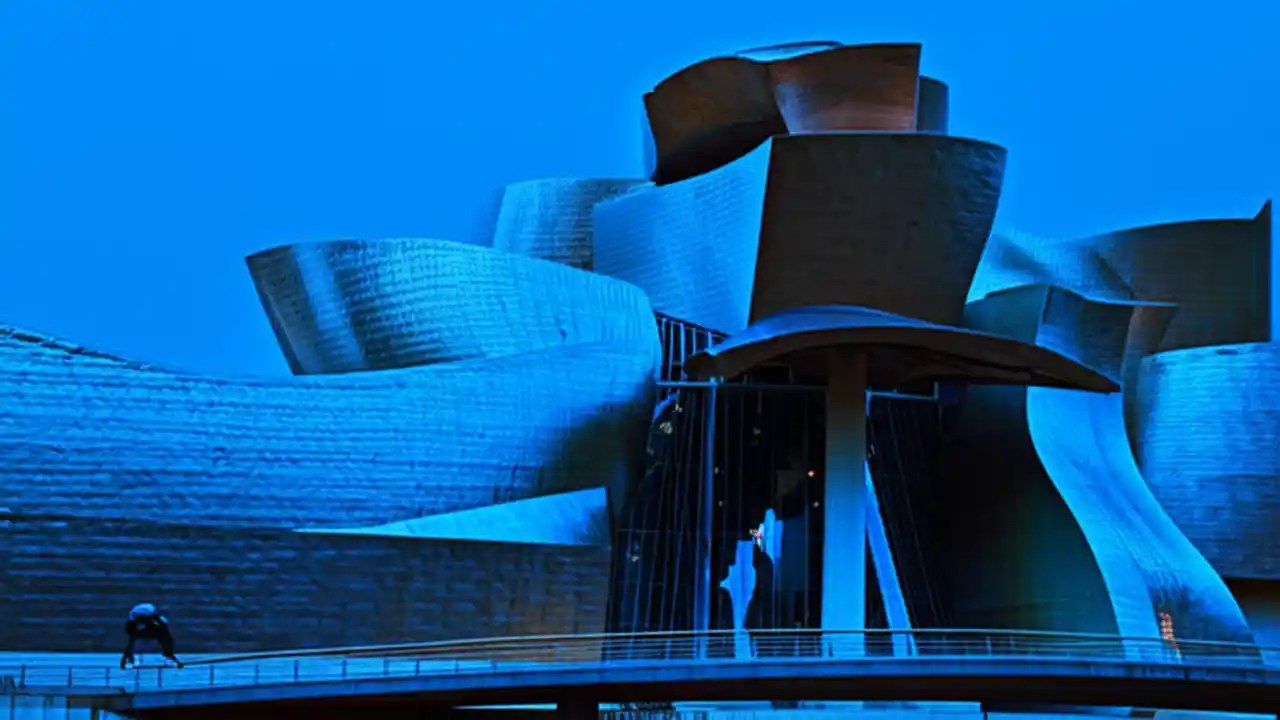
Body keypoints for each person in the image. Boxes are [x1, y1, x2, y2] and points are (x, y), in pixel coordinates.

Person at [120, 603, 183, 669]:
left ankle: (168, 654)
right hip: (144, 616)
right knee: (132, 638)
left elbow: (162, 625)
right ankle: (168, 654)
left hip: (147, 616)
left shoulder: (149, 615)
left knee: (164, 635)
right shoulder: (135, 617)